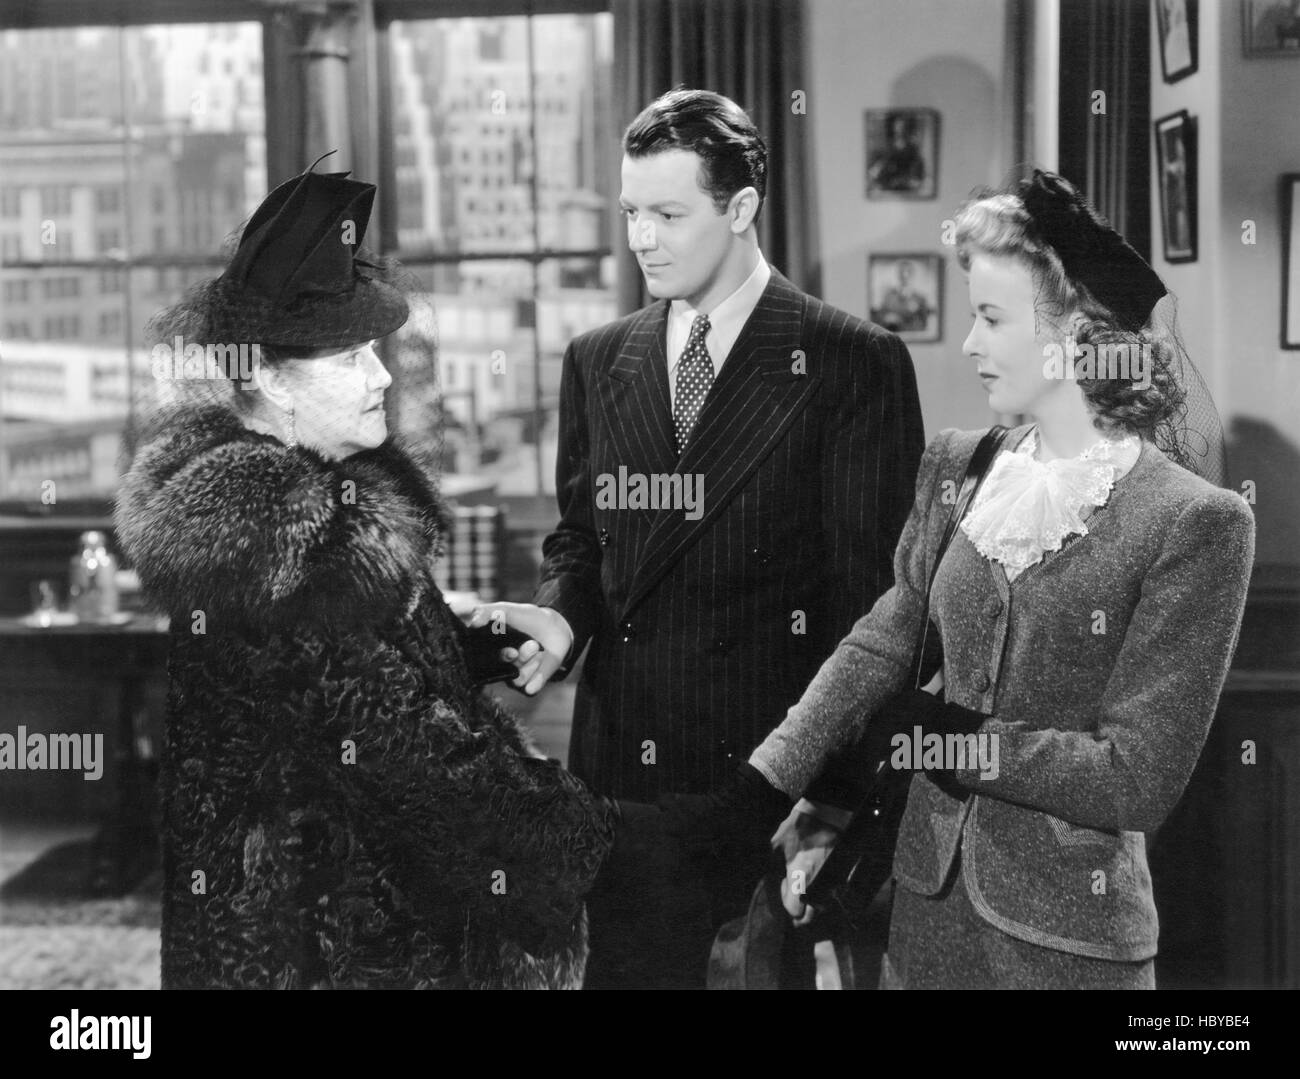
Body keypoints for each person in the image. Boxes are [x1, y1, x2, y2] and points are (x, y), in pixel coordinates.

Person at [114, 159, 631, 989]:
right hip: (326, 947)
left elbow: (349, 682)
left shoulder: (298, 516)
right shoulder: (289, 552)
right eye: (350, 356)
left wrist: (479, 641)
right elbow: (421, 765)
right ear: (268, 382)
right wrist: (599, 833)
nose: (382, 375)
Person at [749, 169, 1255, 989]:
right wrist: (770, 778)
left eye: (990, 318)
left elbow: (1138, 775)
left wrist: (954, 740)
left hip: (1069, 941)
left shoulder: (1195, 521)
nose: (968, 344)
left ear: (1076, 333)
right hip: (921, 919)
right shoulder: (959, 463)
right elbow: (887, 637)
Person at [465, 89, 925, 987]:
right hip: (619, 785)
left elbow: (877, 615)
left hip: (759, 785)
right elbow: (581, 542)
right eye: (633, 211)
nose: (642, 237)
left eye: (669, 214)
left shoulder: (848, 360)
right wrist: (563, 617)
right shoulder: (599, 358)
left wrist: (833, 795)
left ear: (742, 207)